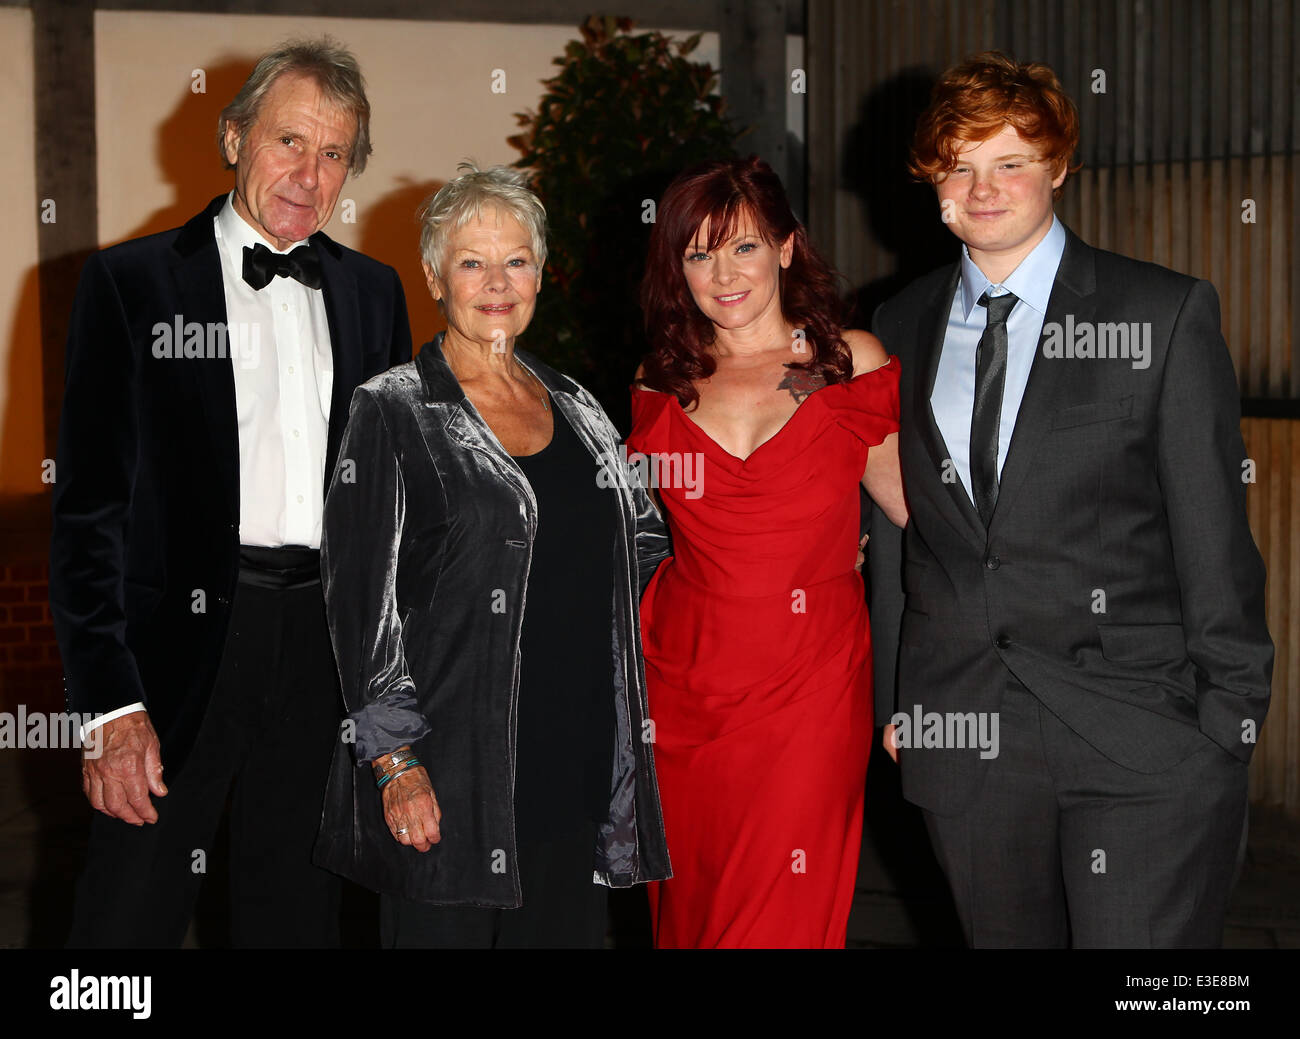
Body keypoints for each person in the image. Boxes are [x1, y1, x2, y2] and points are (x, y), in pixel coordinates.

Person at [868, 52, 1272, 947]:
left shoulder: (1161, 313)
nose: (983, 187)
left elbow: (1216, 538)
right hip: (966, 735)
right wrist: (900, 705)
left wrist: (1224, 728)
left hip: (1144, 737)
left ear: (1056, 166)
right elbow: (902, 539)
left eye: (1010, 161)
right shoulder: (898, 327)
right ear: (933, 178)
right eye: (960, 165)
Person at [50, 38, 411, 947]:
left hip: (318, 651)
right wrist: (108, 705)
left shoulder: (373, 294)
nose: (308, 172)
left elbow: (387, 511)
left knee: (294, 913)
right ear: (233, 137)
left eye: (333, 154)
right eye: (290, 141)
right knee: (125, 915)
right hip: (175, 656)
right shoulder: (129, 285)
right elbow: (87, 515)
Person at [312, 163, 671, 948]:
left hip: (573, 768)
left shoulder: (577, 404)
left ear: (541, 273)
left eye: (515, 261)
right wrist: (395, 764)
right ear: (435, 276)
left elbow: (644, 547)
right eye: (472, 262)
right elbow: (357, 604)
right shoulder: (393, 409)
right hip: (451, 779)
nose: (497, 283)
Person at [629, 155, 907, 948]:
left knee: (777, 913)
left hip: (809, 683)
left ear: (787, 246)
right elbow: (635, 532)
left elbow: (919, 517)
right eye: (698, 253)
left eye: (744, 246)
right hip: (682, 682)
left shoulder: (847, 362)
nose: (723, 274)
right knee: (690, 909)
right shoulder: (658, 380)